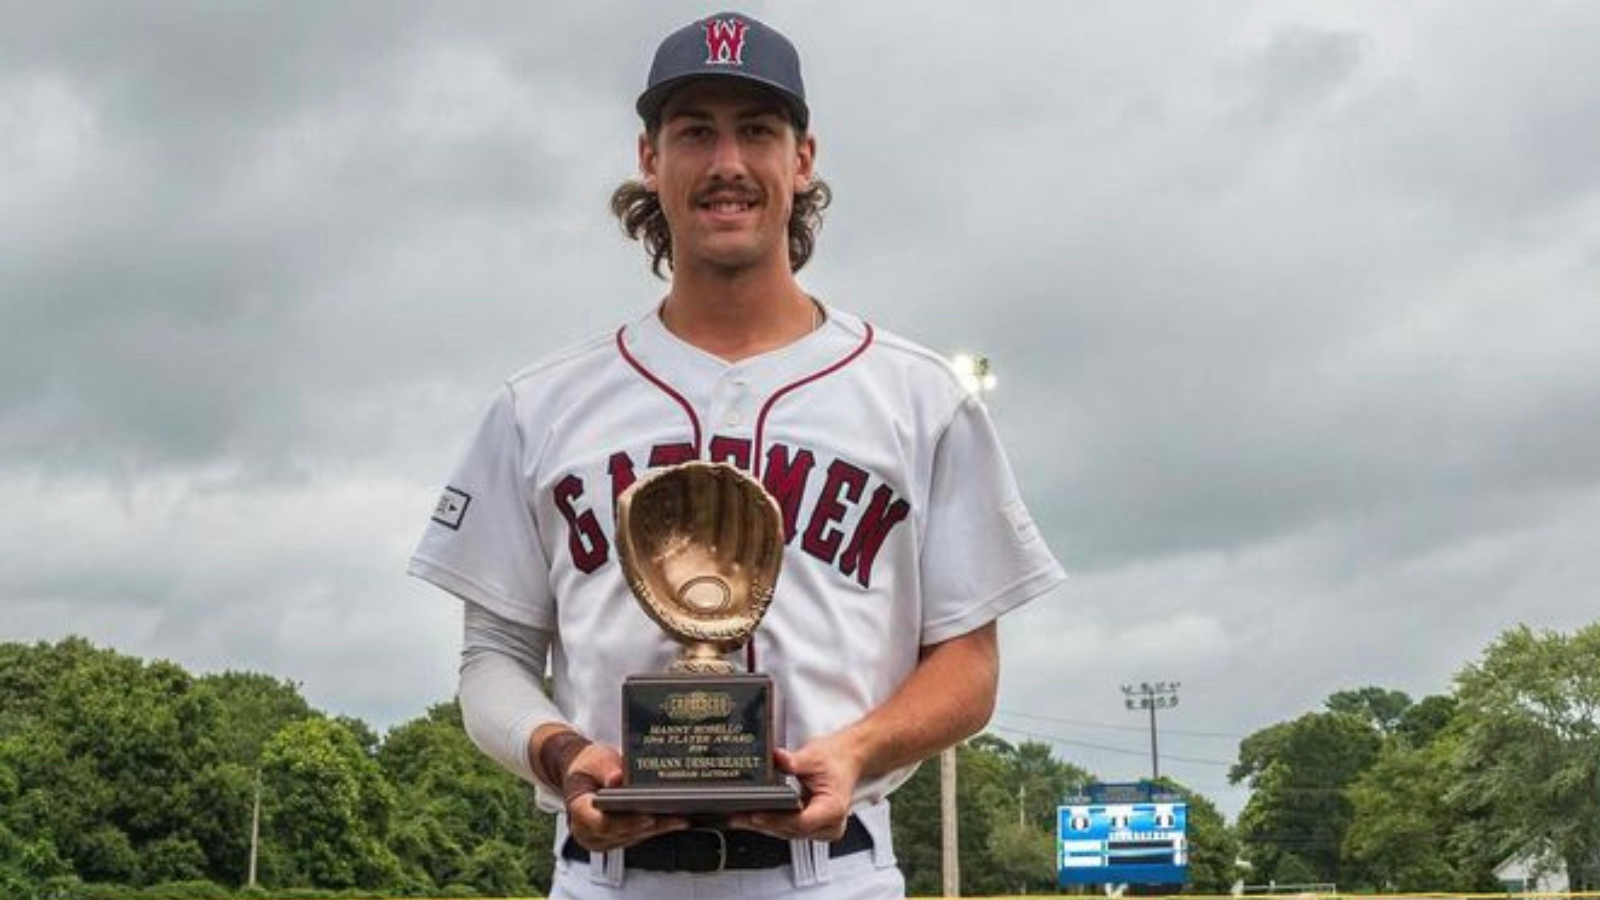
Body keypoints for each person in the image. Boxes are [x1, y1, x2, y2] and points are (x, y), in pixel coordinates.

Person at [408, 11, 1066, 899]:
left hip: (832, 875)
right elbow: (491, 654)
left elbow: (970, 664)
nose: (727, 162)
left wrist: (859, 750)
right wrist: (563, 755)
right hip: (606, 877)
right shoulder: (541, 405)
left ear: (802, 158)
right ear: (650, 157)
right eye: (695, 132)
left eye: (757, 130)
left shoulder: (918, 397)